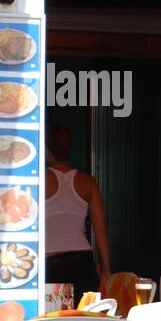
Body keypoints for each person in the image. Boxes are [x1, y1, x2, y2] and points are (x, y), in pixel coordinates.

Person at [45, 125, 110, 300]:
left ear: (46, 151)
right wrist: (106, 270)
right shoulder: (88, 182)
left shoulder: (40, 180)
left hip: (51, 263)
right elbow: (100, 230)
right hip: (83, 261)